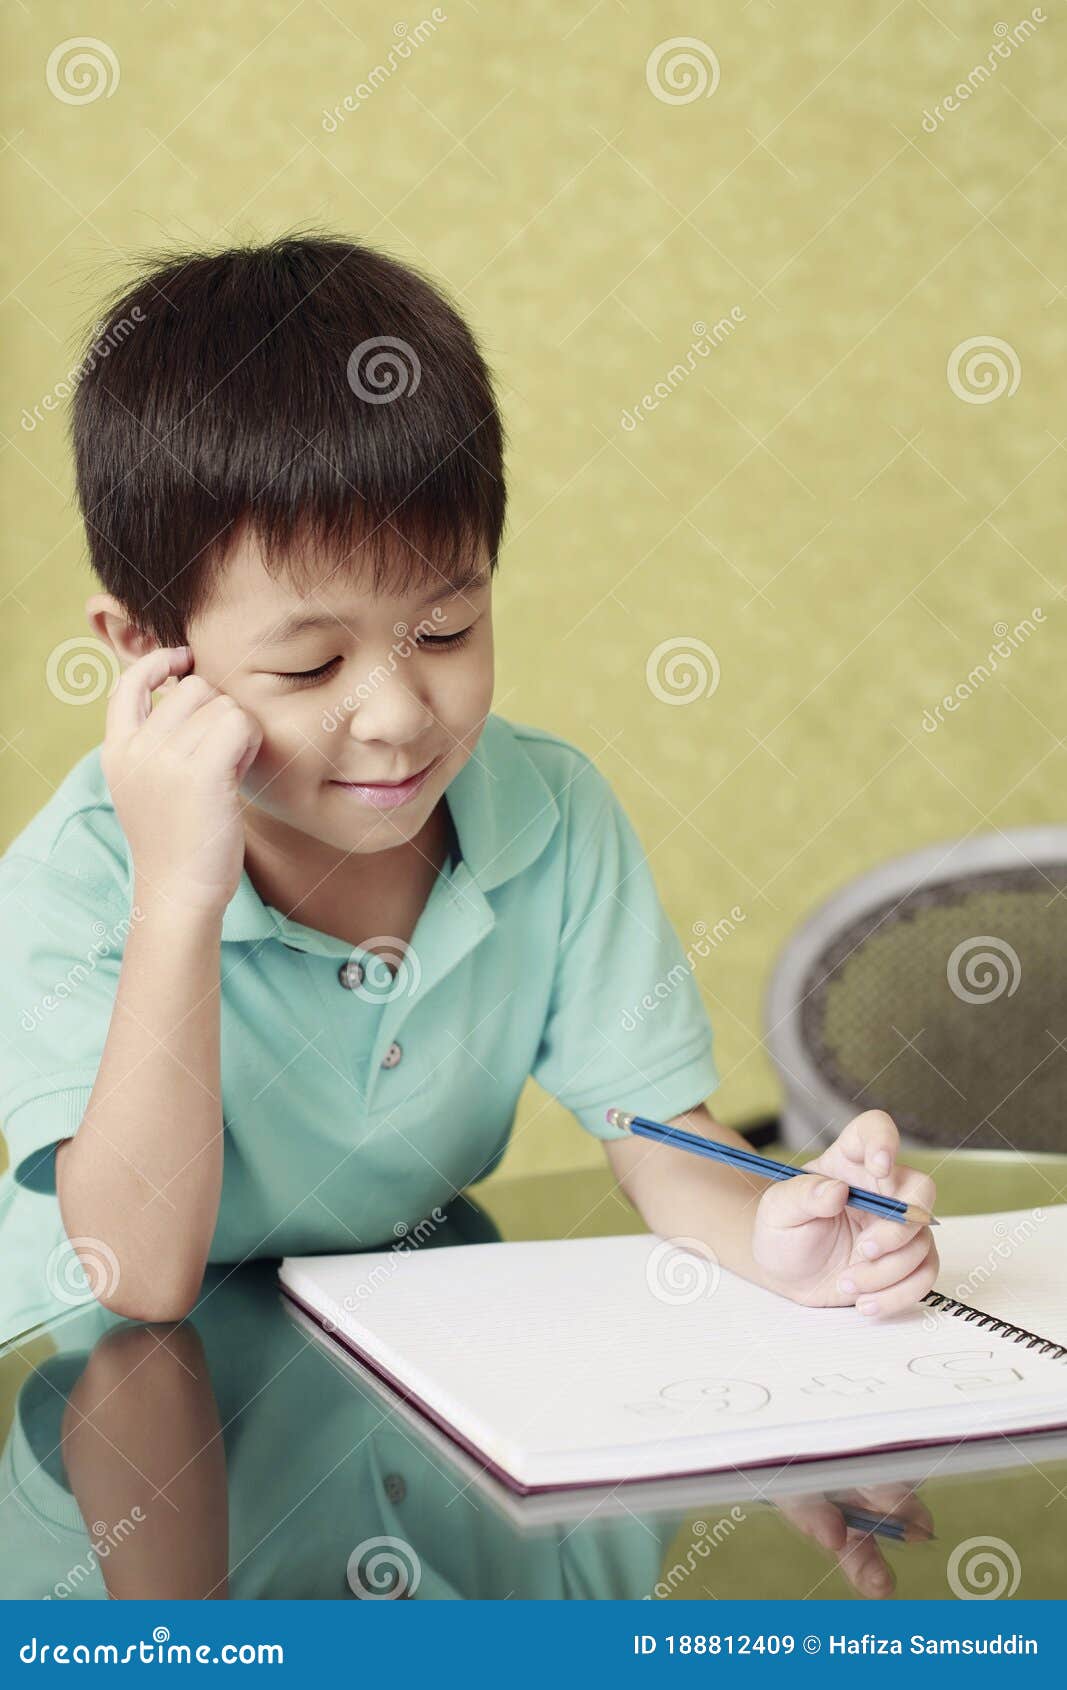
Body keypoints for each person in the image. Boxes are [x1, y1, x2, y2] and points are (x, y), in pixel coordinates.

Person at [0, 230, 937, 1325]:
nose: (399, 717)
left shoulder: (547, 813)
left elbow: (657, 1131)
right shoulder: (74, 878)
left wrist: (773, 1238)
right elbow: (140, 1277)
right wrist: (177, 901)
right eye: (308, 664)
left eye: (444, 630)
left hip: (404, 1333)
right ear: (147, 648)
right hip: (104, 1378)